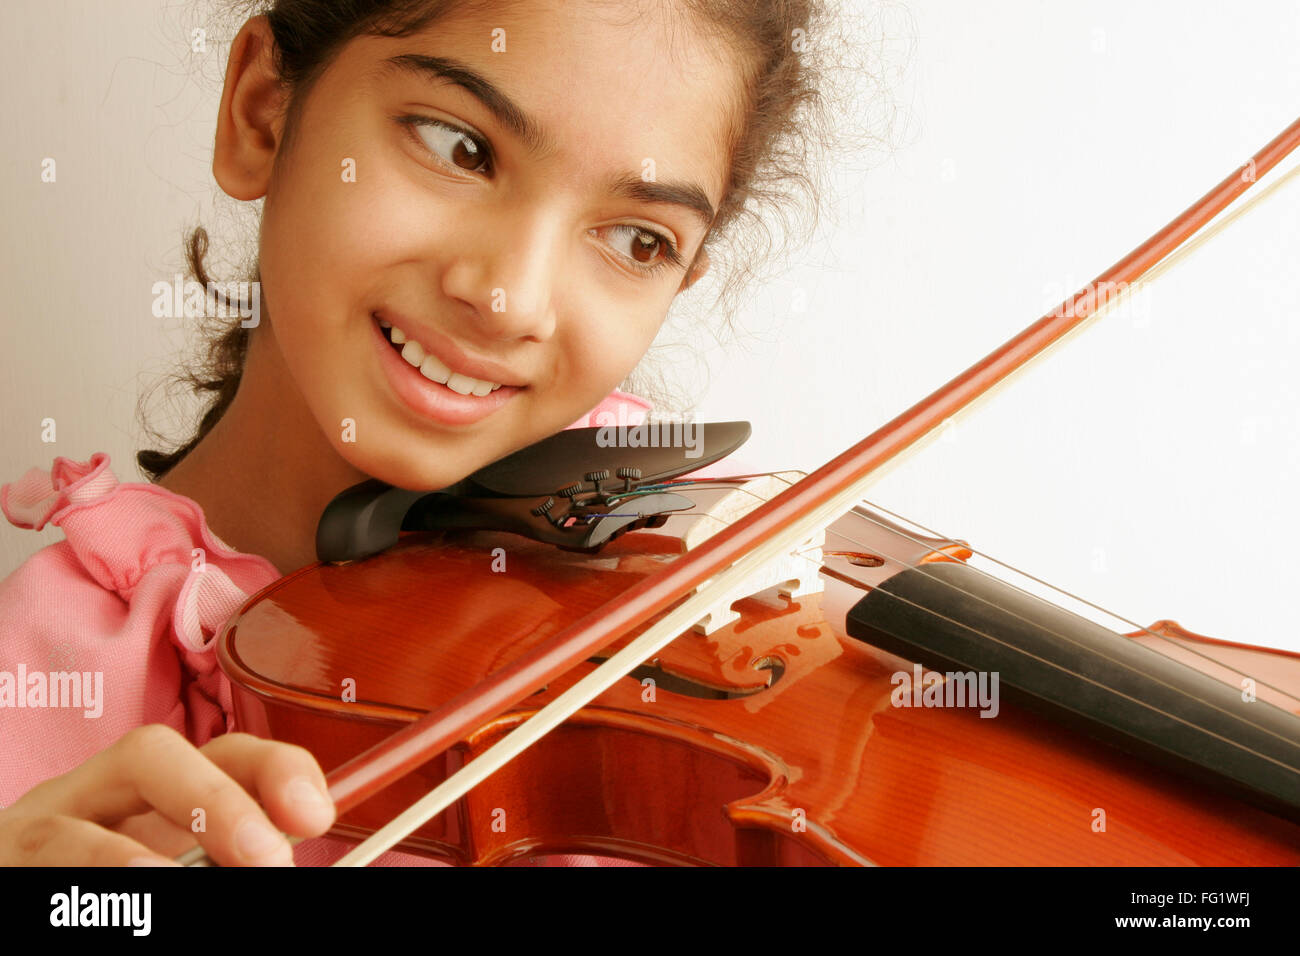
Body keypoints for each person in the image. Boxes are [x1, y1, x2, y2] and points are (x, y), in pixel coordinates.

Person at [0, 0, 851, 865]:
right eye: (460, 147)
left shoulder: (701, 648)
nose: (509, 298)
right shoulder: (37, 680)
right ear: (262, 109)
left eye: (636, 241)